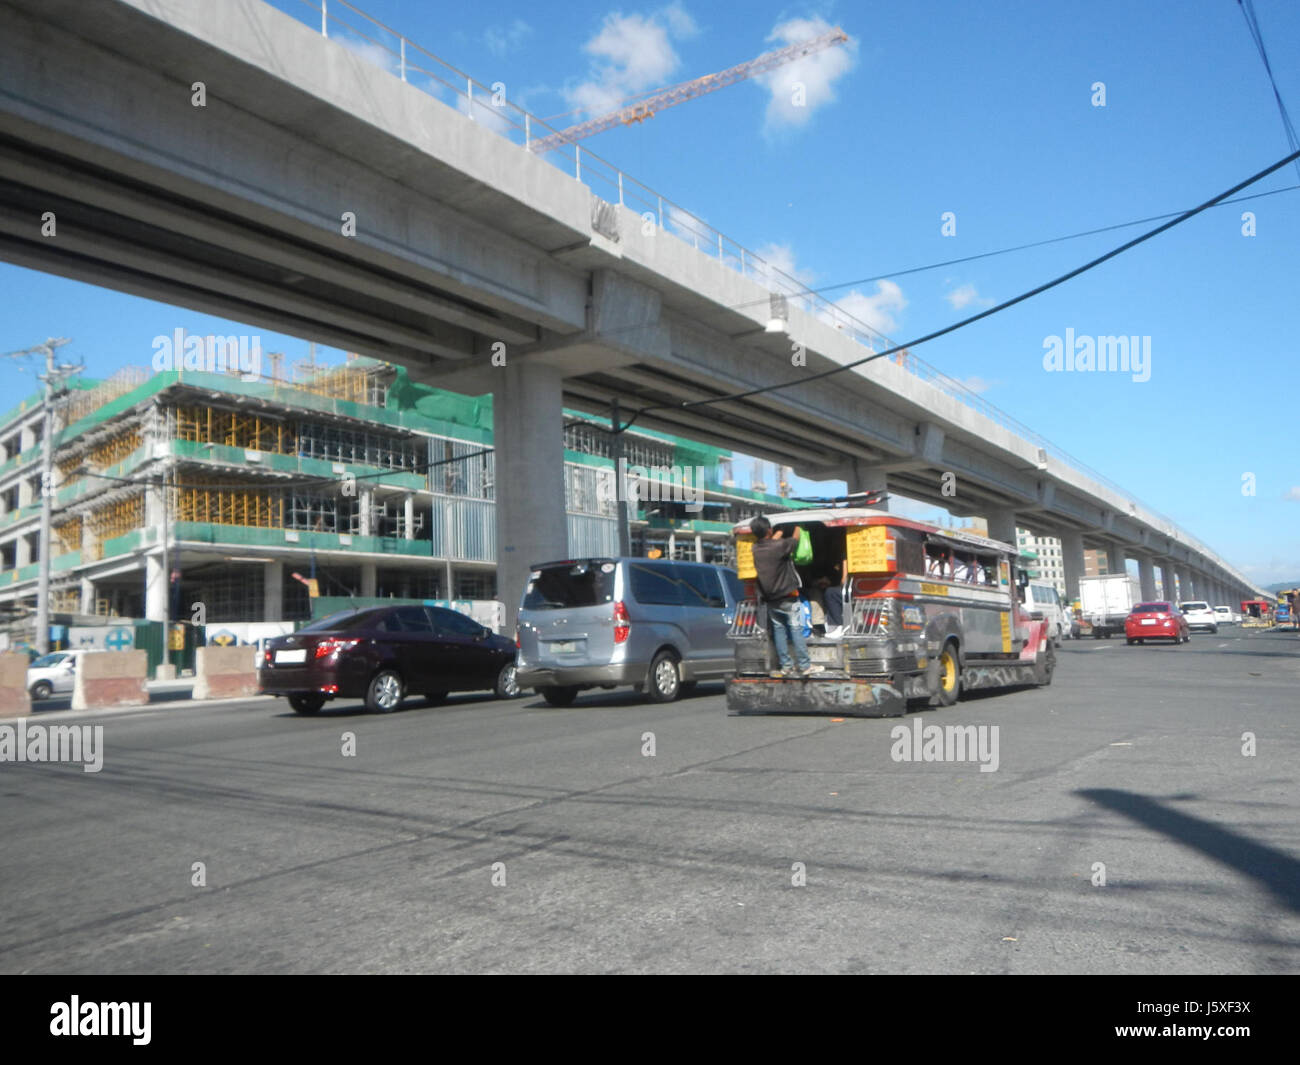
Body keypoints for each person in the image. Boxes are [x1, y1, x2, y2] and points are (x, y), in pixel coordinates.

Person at [749, 516, 822, 678]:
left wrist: (778, 531)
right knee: (796, 629)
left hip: (771, 599)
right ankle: (804, 666)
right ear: (769, 530)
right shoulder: (779, 546)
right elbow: (795, 539)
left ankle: (786, 666)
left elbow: (770, 541)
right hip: (788, 596)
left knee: (779, 630)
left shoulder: (755, 549)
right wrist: (798, 524)